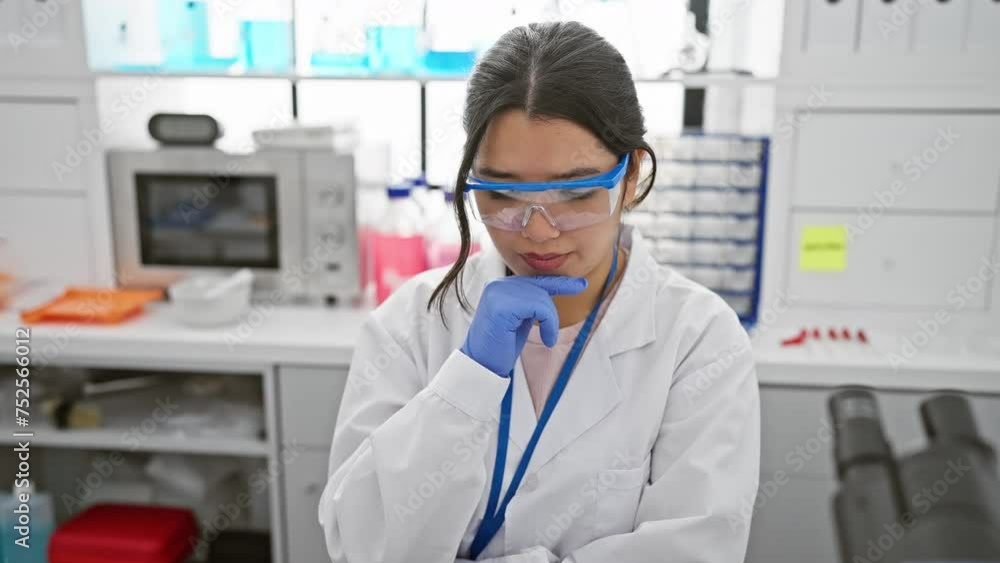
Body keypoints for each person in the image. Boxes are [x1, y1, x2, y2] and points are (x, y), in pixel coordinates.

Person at [319, 21, 760, 563]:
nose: (537, 230)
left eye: (576, 193)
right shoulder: (412, 321)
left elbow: (696, 550)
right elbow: (359, 546)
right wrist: (468, 381)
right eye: (502, 192)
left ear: (632, 176)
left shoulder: (698, 339)